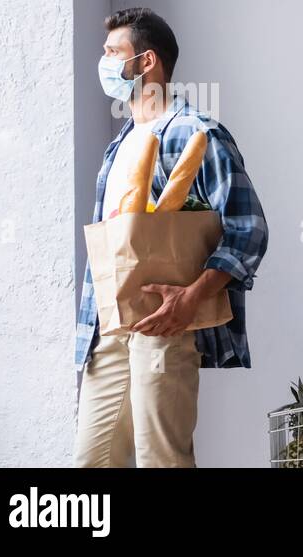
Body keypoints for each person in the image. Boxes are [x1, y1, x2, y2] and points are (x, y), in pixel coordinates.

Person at [74, 7, 269, 467]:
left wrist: (191, 299)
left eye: (112, 52)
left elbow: (249, 229)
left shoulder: (195, 133)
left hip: (164, 327)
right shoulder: (120, 142)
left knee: (161, 460)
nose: (103, 62)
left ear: (146, 62)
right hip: (108, 326)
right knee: (91, 461)